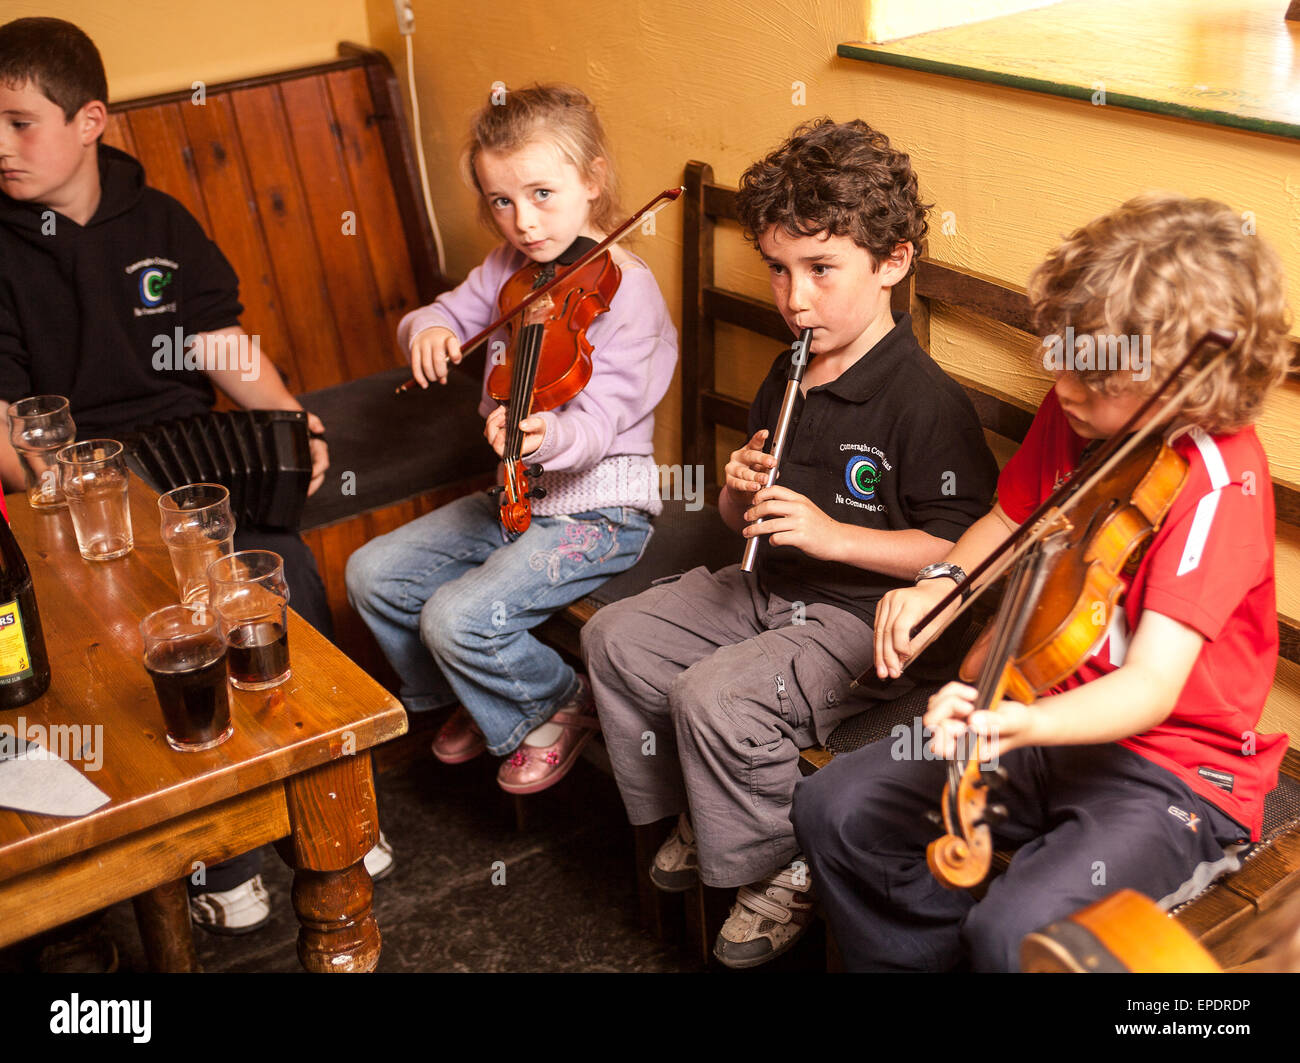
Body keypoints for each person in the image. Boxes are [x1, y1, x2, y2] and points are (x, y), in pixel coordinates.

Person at [792, 193, 1293, 972]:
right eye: (1063, 362)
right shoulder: (1086, 405)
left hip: (1172, 772)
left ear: (1187, 386)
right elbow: (1009, 516)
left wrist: (1016, 727)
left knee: (1016, 931)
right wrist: (942, 584)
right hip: (1035, 707)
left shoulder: (1222, 484)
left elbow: (1152, 687)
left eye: (1095, 383)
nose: (1065, 393)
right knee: (834, 807)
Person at [0, 17, 391, 937]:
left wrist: (291, 425)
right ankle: (220, 850)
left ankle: (323, 813)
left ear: (89, 119)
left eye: (20, 122)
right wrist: (68, 485)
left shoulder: (159, 218)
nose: (1, 146)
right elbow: (9, 433)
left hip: (193, 462)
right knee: (140, 629)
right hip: (70, 490)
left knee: (282, 576)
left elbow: (219, 342)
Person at [580, 118, 999, 968]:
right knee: (613, 637)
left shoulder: (926, 403)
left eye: (820, 270)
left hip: (863, 618)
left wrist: (836, 534)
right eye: (778, 268)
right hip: (765, 589)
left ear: (893, 262)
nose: (793, 298)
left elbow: (959, 561)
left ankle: (786, 861)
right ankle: (702, 812)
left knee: (715, 696)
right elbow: (743, 528)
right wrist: (738, 494)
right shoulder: (790, 368)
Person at [346, 83, 677, 797]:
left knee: (455, 617)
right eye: (501, 201)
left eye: (541, 194)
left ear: (592, 182)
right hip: (513, 496)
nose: (522, 221)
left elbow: (603, 421)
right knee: (372, 573)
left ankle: (557, 701)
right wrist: (426, 331)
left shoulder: (629, 292)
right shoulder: (506, 268)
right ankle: (478, 696)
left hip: (599, 509)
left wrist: (546, 435)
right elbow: (441, 312)